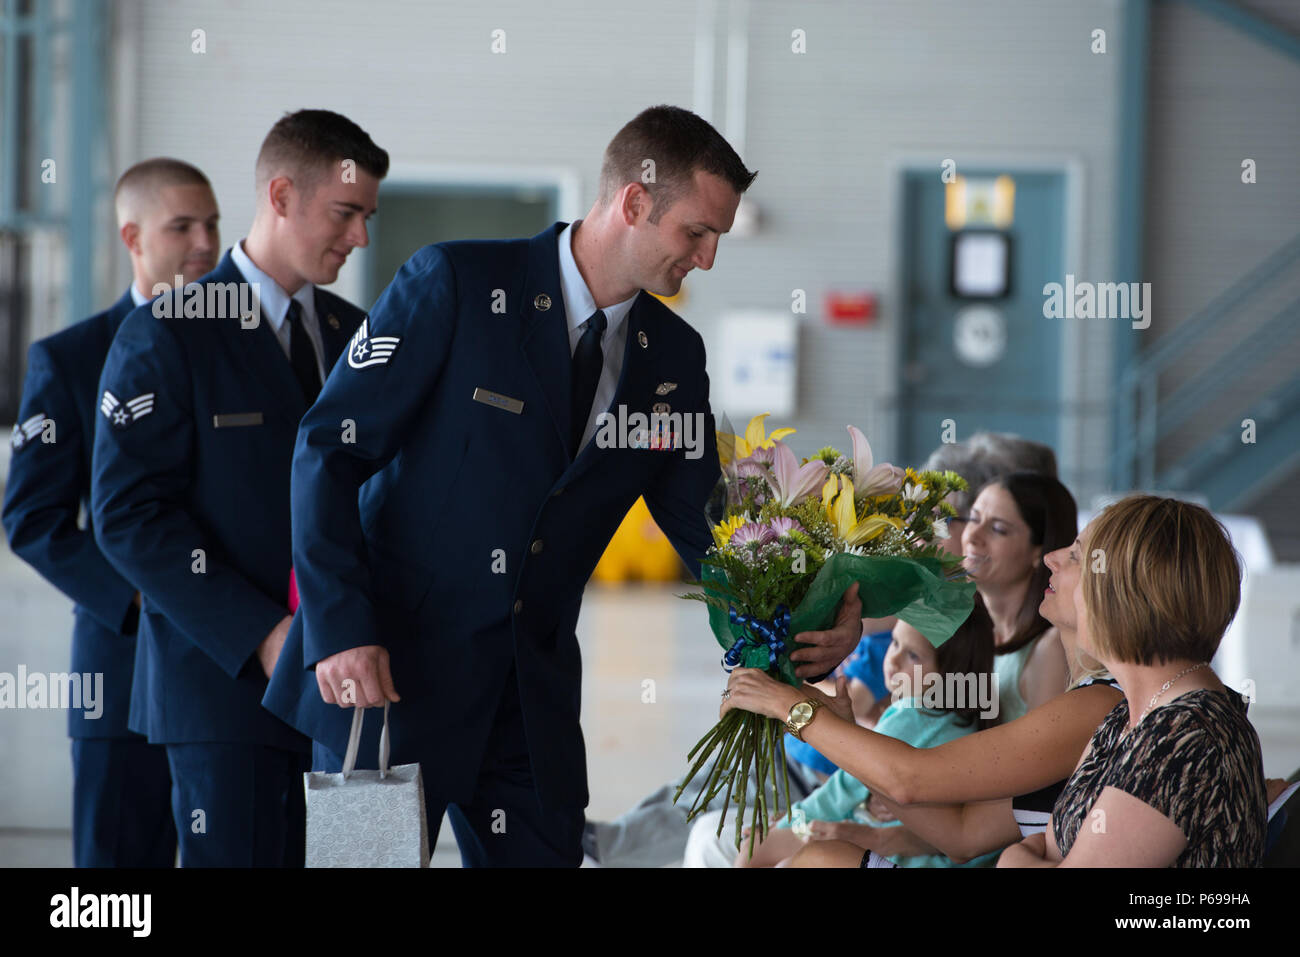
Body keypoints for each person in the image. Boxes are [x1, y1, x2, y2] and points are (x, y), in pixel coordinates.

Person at [262, 104, 864, 867]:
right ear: (635, 202)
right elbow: (327, 448)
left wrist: (813, 623)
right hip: (388, 678)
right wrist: (340, 627)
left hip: (531, 697)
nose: (707, 259)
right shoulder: (455, 283)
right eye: (696, 232)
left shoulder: (672, 358)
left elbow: (709, 529)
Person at [91, 110, 388, 867]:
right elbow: (127, 515)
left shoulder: (365, 336)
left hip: (353, 694)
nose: (358, 238)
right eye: (345, 213)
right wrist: (261, 632)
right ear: (282, 195)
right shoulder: (170, 329)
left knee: (364, 864)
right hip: (223, 692)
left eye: (366, 218)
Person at [586, 433, 1053, 867]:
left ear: (1040, 548)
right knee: (711, 793)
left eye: (990, 525)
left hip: (851, 777)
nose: (968, 536)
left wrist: (826, 724)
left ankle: (598, 845)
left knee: (720, 821)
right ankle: (598, 842)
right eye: (967, 520)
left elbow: (953, 792)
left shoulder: (1032, 652)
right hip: (845, 763)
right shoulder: (934, 600)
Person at [3, 158, 219, 867]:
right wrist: (144, 597)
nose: (204, 243)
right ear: (132, 235)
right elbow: (33, 517)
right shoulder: (70, 359)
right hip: (123, 668)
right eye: (181, 225)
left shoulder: (242, 346)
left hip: (235, 665)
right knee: (118, 881)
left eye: (212, 224)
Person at [999, 496, 1269, 867]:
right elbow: (1045, 849)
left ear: (1126, 591)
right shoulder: (1127, 717)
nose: (1051, 559)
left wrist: (1012, 860)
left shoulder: (1186, 733)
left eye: (1079, 558)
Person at [705, 599, 998, 869]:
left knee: (753, 845)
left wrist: (794, 821)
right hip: (921, 853)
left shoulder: (913, 714)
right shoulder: (967, 722)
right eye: (894, 643)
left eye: (912, 656)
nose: (893, 661)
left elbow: (843, 790)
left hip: (898, 854)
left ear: (952, 671)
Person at [963, 472, 1074, 722]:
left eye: (998, 529)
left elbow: (1043, 760)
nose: (973, 536)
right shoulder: (966, 630)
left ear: (1041, 551)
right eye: (973, 518)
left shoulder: (1050, 648)